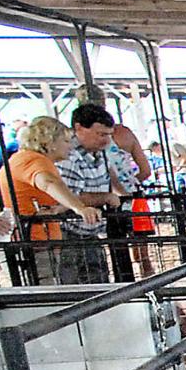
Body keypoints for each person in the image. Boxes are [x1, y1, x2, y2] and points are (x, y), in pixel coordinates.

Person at [0, 116, 103, 278]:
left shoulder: (22, 159)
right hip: (33, 243)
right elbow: (47, 182)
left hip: (30, 240)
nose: (70, 147)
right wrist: (79, 208)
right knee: (43, 293)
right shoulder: (35, 161)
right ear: (50, 143)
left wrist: (61, 207)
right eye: (66, 141)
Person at [55, 104, 131, 284]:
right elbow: (69, 197)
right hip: (69, 234)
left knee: (98, 283)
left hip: (91, 231)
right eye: (101, 134)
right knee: (73, 288)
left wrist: (126, 195)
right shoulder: (68, 156)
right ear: (79, 128)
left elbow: (110, 175)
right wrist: (106, 197)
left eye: (109, 135)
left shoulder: (100, 152)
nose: (106, 140)